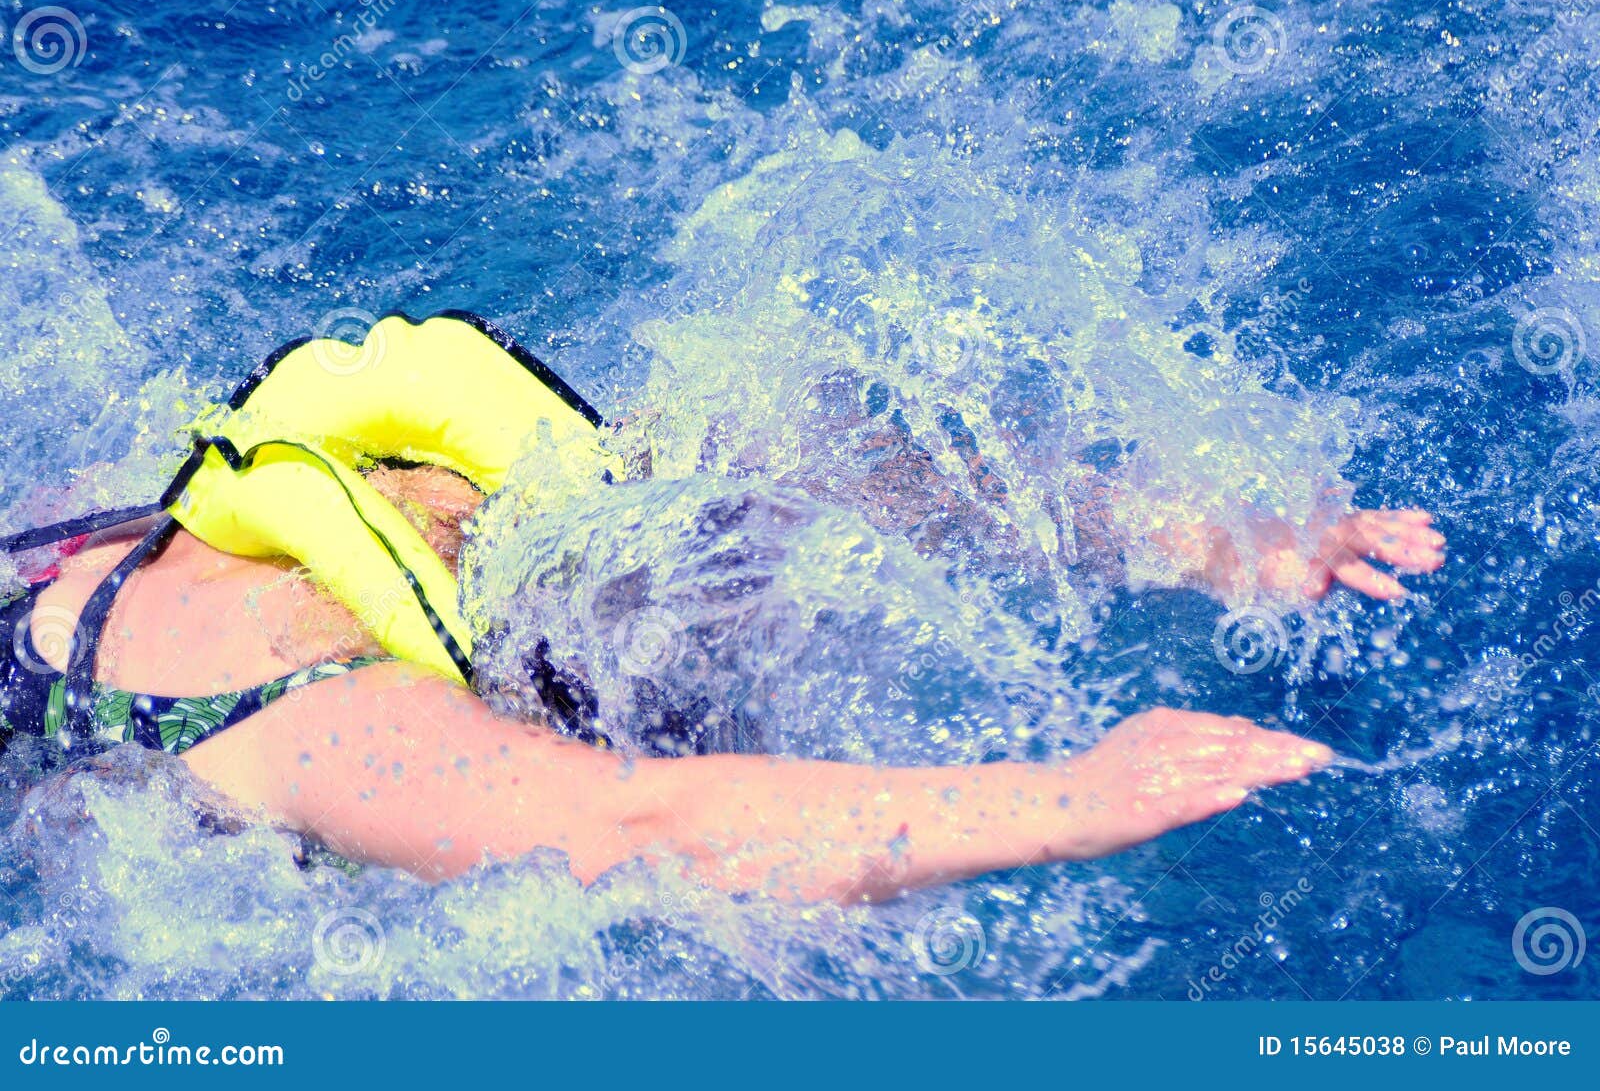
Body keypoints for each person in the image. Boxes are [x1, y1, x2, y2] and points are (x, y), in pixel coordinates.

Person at [0, 319, 1446, 905]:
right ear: (415, 491)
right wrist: (1068, 796)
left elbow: (839, 484)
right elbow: (640, 823)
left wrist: (1202, 537)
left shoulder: (201, 503)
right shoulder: (334, 716)